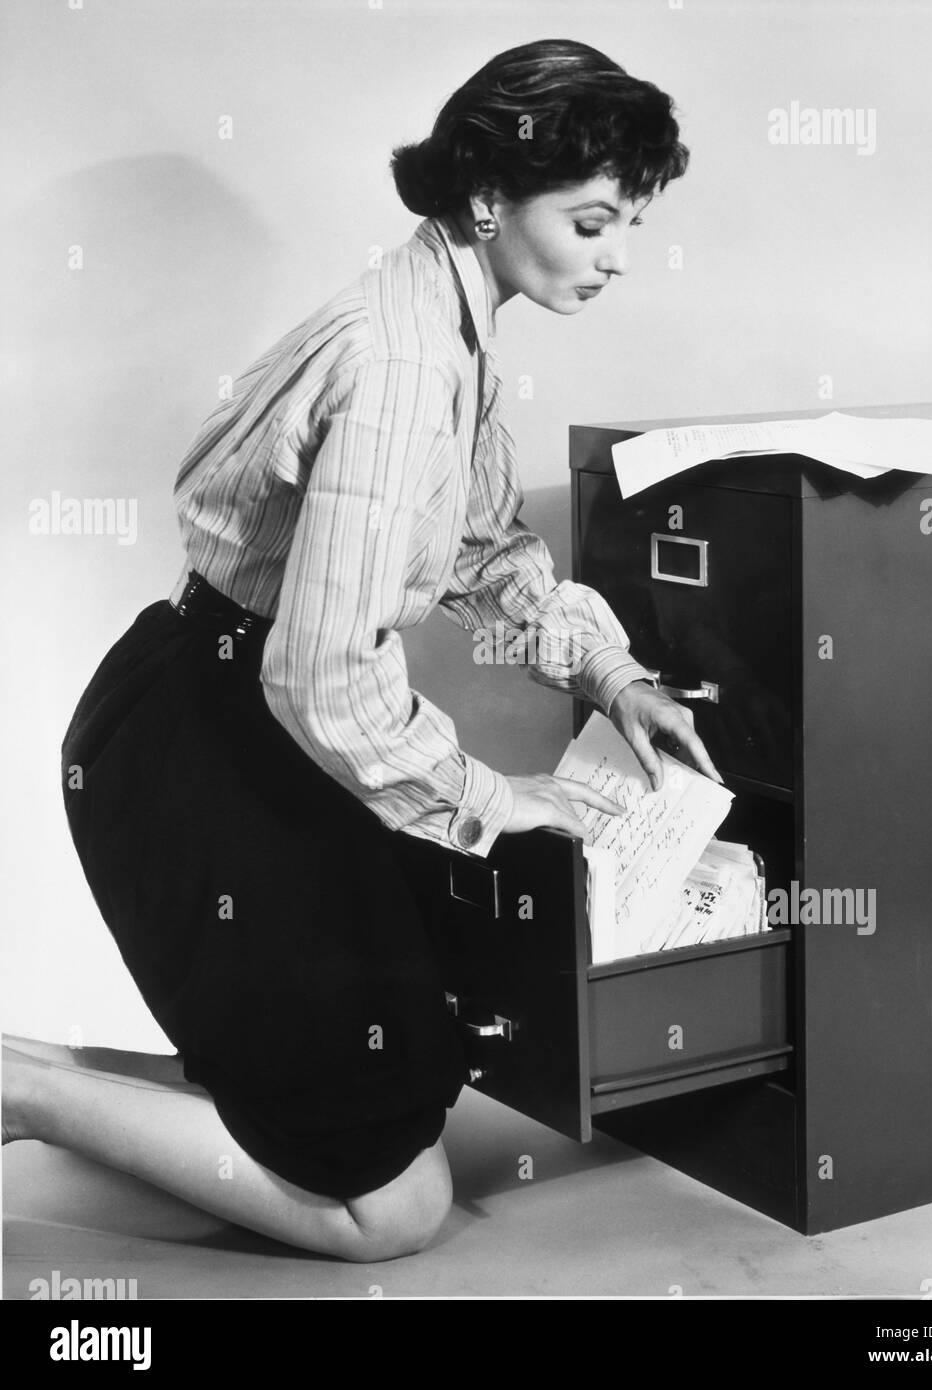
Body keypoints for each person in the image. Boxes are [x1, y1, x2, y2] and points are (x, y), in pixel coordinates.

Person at [3, 38, 720, 1262]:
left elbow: (487, 553)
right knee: (394, 1208)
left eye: (629, 227)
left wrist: (616, 677)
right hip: (203, 742)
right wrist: (497, 802)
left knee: (399, 1065)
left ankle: (25, 1064)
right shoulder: (397, 362)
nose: (615, 258)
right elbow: (323, 672)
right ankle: (16, 1095)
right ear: (491, 197)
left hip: (249, 719)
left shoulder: (451, 319)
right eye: (594, 221)